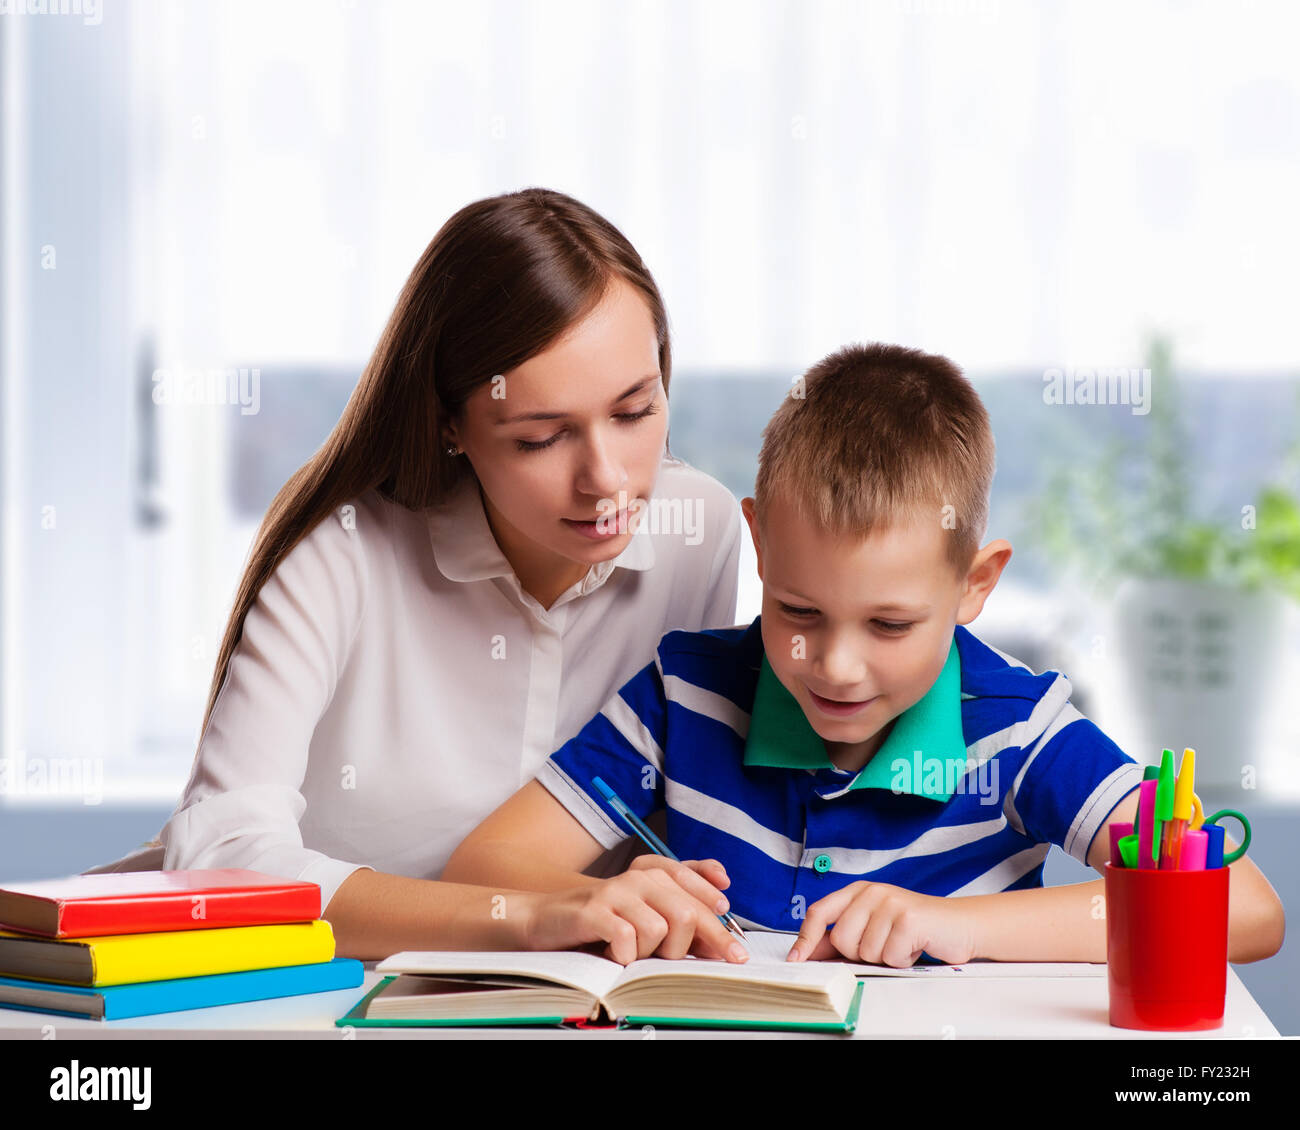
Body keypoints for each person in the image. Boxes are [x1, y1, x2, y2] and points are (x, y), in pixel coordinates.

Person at [444, 342, 1287, 966]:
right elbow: (485, 868)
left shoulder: (1015, 730)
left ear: (975, 585)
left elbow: (1243, 908)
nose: (836, 666)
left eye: (889, 626)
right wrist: (597, 897)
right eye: (800, 611)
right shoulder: (687, 691)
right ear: (760, 550)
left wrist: (953, 924)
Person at [86, 187, 749, 964]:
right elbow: (222, 856)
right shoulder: (344, 550)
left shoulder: (695, 530)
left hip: (551, 997)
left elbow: (678, 802)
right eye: (540, 438)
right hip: (312, 991)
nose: (607, 480)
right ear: (448, 425)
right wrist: (527, 915)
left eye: (635, 413)